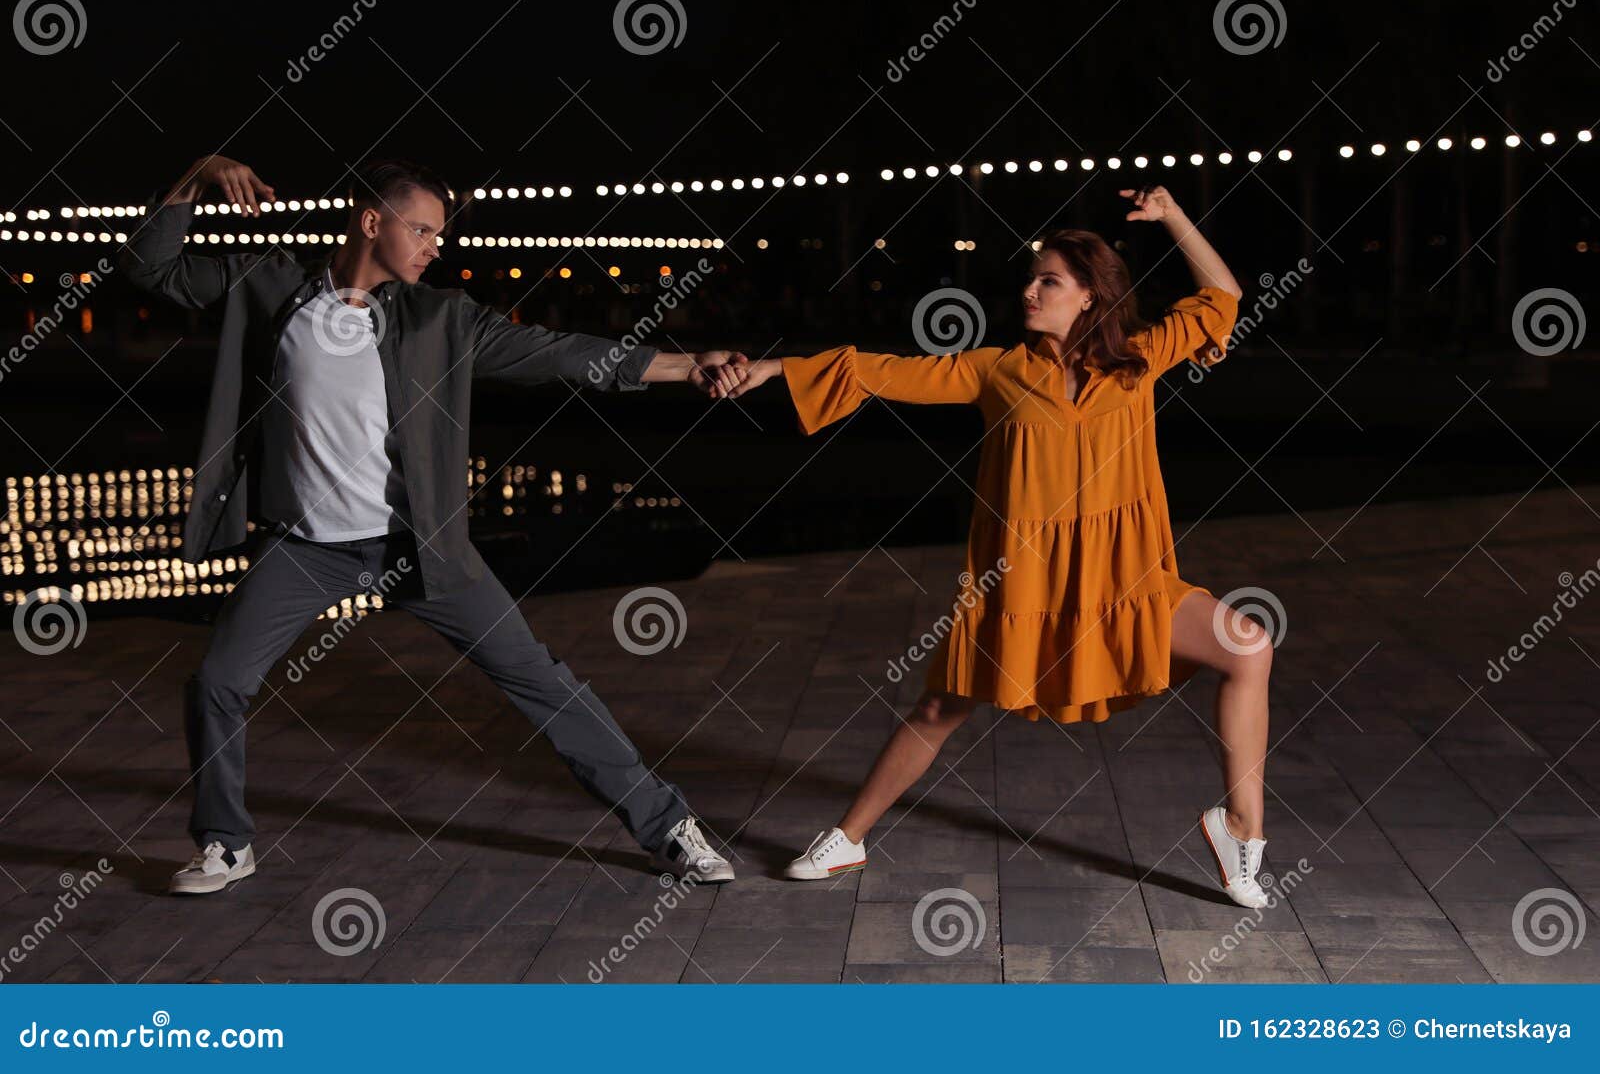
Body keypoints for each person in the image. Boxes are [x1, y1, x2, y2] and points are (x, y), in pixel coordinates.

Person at [118, 153, 749, 894]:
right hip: (305, 548)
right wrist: (194, 180)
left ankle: (668, 827)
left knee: (542, 681)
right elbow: (148, 268)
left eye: (438, 235)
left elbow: (563, 356)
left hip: (417, 545)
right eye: (421, 229)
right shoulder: (269, 284)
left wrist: (684, 366)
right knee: (218, 679)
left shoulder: (439, 319)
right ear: (370, 221)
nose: (433, 246)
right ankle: (226, 842)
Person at [727, 187, 1276, 909]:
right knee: (938, 709)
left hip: (1127, 583)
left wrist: (1174, 213)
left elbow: (1223, 296)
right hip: (1024, 590)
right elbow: (876, 369)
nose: (1030, 289)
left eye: (1049, 279)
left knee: (1249, 646)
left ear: (1088, 297)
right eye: (1031, 277)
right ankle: (849, 835)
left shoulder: (1138, 361)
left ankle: (1240, 829)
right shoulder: (996, 371)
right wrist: (771, 369)